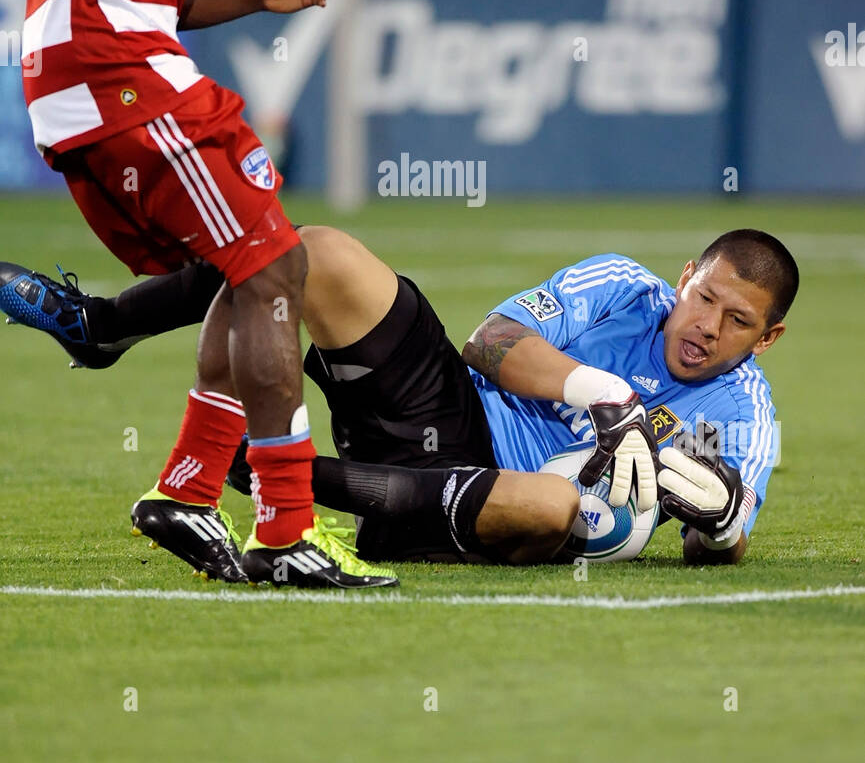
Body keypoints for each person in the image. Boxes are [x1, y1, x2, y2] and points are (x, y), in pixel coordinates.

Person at [0, 0, 395, 591]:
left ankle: (181, 482)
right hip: (116, 75)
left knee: (244, 268)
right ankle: (284, 531)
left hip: (126, 62)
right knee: (275, 268)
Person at [1, 224, 797, 569]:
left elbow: (719, 542)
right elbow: (488, 342)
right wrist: (601, 391)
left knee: (555, 509)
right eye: (704, 299)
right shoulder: (623, 285)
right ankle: (101, 325)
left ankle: (282, 480)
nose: (706, 328)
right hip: (440, 408)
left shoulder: (743, 415)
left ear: (765, 340)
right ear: (686, 276)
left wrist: (710, 513)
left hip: (505, 504)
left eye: (736, 324)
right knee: (313, 251)